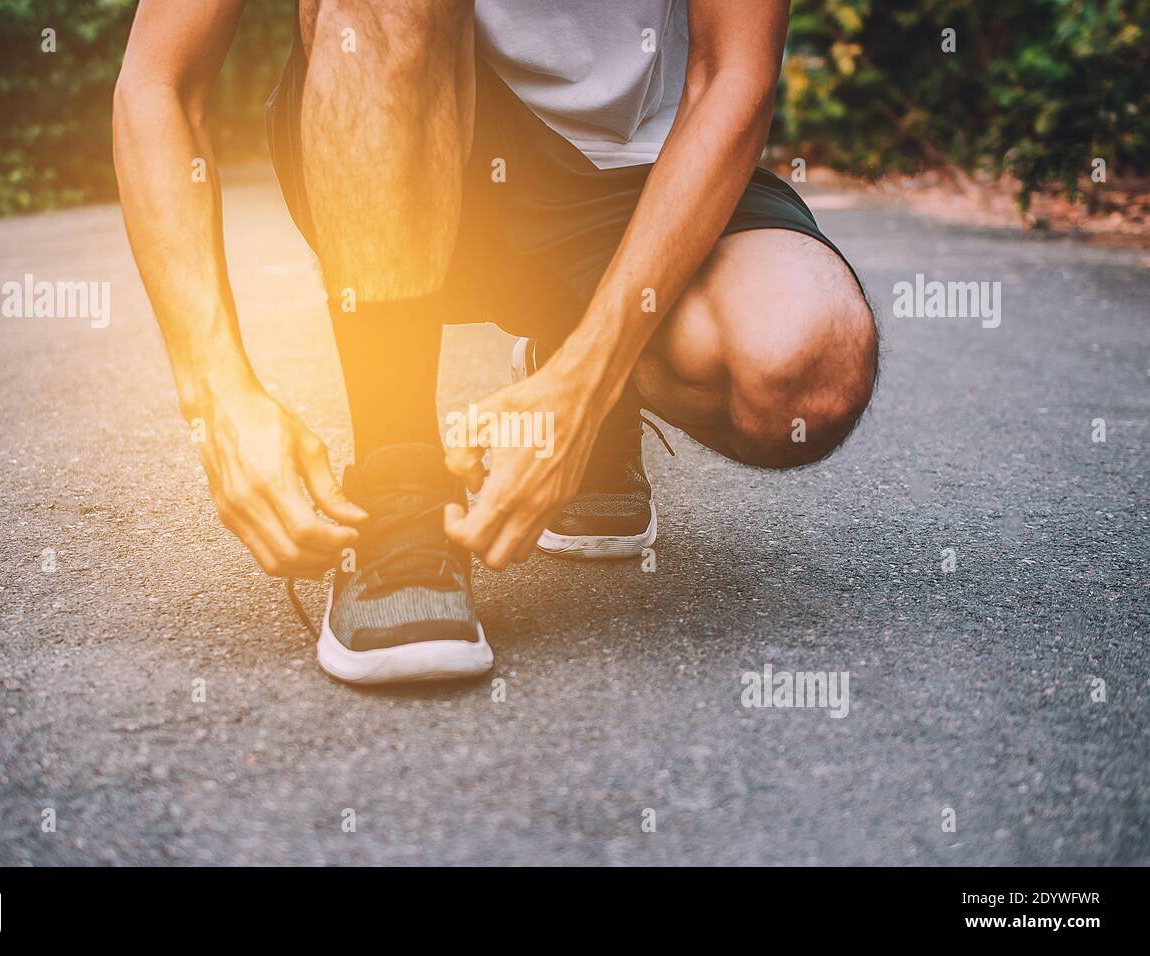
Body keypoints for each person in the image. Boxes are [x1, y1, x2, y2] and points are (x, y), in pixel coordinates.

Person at [112, 1, 878, 684]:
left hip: (643, 177)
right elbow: (160, 83)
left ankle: (577, 366)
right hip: (409, 138)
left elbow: (732, 74)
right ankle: (397, 482)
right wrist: (217, 398)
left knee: (806, 365)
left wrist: (585, 384)